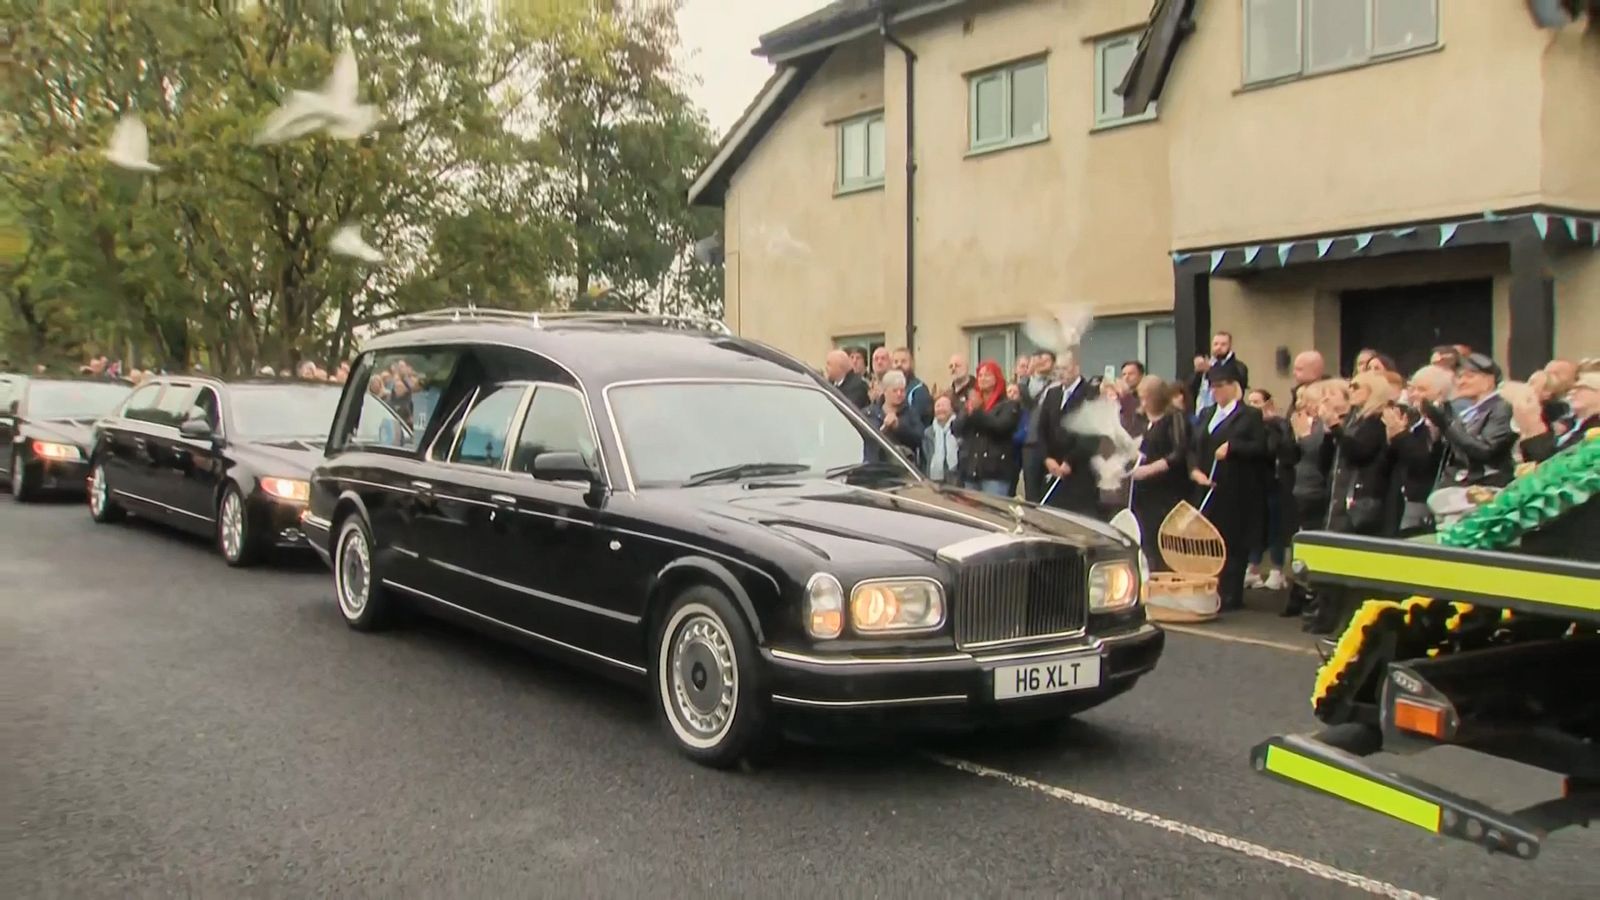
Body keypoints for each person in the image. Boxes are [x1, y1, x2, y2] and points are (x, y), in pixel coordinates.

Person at [1186, 363, 1267, 611]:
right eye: (1213, 387)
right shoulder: (1207, 413)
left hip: (1235, 487)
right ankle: (1210, 587)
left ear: (1234, 387)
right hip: (1205, 486)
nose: (1217, 392)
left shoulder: (1249, 415)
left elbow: (1261, 448)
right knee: (1207, 539)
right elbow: (1191, 447)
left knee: (1232, 540)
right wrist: (1194, 470)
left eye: (1221, 387)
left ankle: (1232, 592)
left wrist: (1233, 449)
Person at [1422, 352, 1516, 488]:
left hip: (1487, 487)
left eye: (1469, 376)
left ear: (1489, 380)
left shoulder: (1501, 408)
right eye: (1460, 377)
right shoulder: (1469, 411)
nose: (1461, 382)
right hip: (1463, 484)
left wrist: (1447, 425)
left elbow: (1486, 450)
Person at [1128, 377, 1189, 572]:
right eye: (1141, 398)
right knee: (1145, 539)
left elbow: (1179, 452)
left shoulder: (1173, 417)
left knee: (1163, 538)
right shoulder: (1140, 419)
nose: (1143, 403)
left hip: (1165, 489)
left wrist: (1151, 469)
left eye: (1147, 398)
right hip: (1141, 491)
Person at [1390, 365, 1453, 535]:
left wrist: (1400, 435)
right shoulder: (1413, 420)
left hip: (1425, 503)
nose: (1414, 394)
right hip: (1403, 499)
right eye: (1413, 389)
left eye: (1422, 389)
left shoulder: (1444, 423)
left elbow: (1422, 463)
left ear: (1440, 393)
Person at [1036, 357, 1099, 517]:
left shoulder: (1090, 393)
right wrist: (1047, 458)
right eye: (1057, 369)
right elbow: (1041, 429)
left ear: (1076, 369)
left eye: (1064, 369)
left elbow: (1090, 434)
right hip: (1053, 467)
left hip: (1079, 469)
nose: (1060, 373)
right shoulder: (1052, 394)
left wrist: (1070, 461)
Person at [1245, 388, 1293, 592]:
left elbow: (1274, 449)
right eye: (1251, 402)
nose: (1253, 406)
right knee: (1256, 525)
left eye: (1257, 401)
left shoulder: (1278, 424)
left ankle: (1276, 569)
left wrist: (1269, 425)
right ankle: (1253, 568)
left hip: (1275, 482)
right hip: (1255, 483)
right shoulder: (1246, 424)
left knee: (1275, 527)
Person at [954, 361, 1021, 497]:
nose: (983, 378)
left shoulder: (1008, 405)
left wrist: (978, 411)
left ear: (997, 378)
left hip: (995, 473)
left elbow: (1000, 426)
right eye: (980, 375)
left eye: (988, 375)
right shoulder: (971, 404)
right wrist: (967, 412)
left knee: (993, 513)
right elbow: (957, 429)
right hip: (971, 470)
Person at [864, 370, 923, 464]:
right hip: (876, 466)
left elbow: (919, 437)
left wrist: (898, 426)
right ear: (885, 391)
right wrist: (883, 428)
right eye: (895, 391)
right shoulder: (870, 413)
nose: (899, 394)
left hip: (903, 466)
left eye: (902, 390)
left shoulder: (911, 413)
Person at [1188, 331, 1248, 412]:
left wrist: (1211, 370)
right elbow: (1191, 388)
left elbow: (1237, 386)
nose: (1219, 347)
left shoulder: (1238, 366)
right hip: (1201, 411)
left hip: (1224, 412)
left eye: (1223, 344)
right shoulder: (1206, 363)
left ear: (1230, 346)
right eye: (1216, 344)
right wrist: (1198, 371)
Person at [922, 394, 961, 486]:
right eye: (937, 406)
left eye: (944, 405)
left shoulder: (960, 427)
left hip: (957, 477)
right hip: (934, 478)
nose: (940, 409)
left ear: (952, 408)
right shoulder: (928, 432)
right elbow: (926, 456)